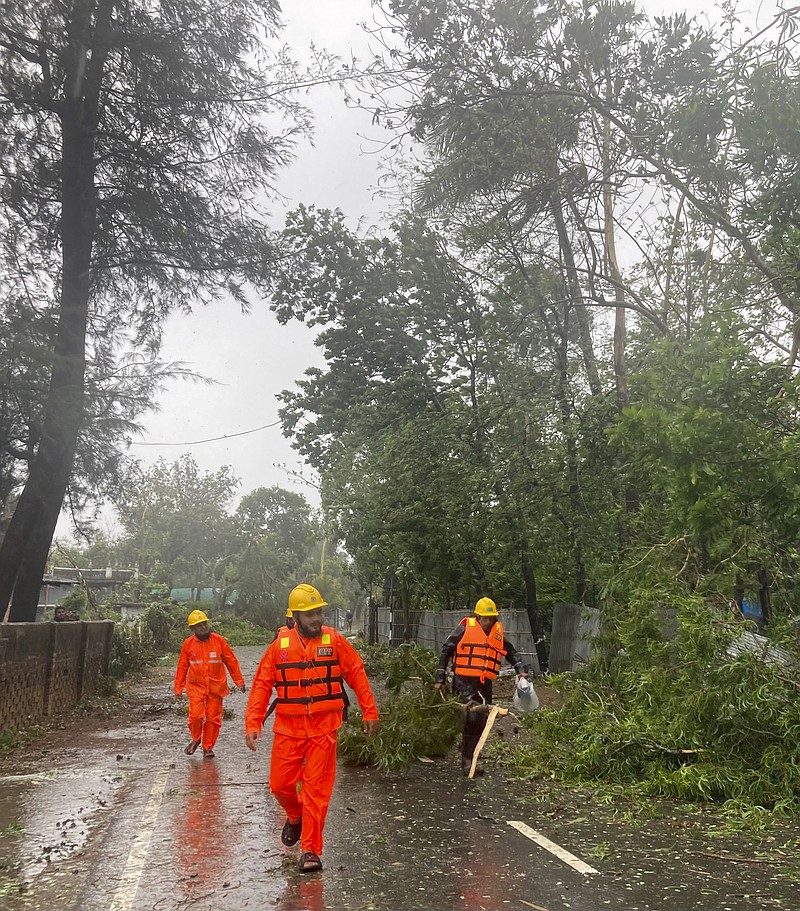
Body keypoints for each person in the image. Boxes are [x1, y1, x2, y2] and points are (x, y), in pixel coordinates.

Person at [245, 583, 379, 874]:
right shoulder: (279, 647)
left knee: (317, 791)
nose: (317, 619)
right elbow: (262, 684)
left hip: (323, 728)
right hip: (288, 729)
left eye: (318, 612)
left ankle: (310, 850)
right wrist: (253, 721)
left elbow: (356, 671)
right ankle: (295, 816)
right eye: (309, 614)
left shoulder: (335, 641)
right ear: (295, 616)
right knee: (279, 786)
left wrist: (369, 710)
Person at [434, 597, 528, 776]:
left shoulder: (497, 634)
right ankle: (468, 762)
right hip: (464, 681)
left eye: (491, 618)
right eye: (485, 618)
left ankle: (471, 756)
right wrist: (440, 677)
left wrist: (521, 670)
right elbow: (446, 650)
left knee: (482, 721)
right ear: (478, 617)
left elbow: (511, 652)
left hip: (484, 684)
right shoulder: (464, 628)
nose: (488, 622)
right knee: (471, 719)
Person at [173, 609, 246, 759]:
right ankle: (196, 738)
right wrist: (178, 688)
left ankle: (208, 747)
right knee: (195, 716)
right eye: (199, 625)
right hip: (196, 686)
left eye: (204, 624)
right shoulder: (188, 644)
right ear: (193, 629)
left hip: (216, 686)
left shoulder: (219, 641)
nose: (203, 627)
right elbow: (182, 667)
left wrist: (239, 681)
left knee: (213, 718)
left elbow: (230, 661)